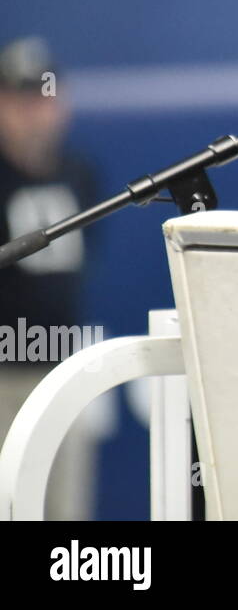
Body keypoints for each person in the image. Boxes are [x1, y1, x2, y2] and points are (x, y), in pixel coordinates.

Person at [0, 36, 101, 520]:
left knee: (66, 508)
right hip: (3, 372)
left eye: (41, 98)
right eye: (17, 101)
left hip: (61, 371)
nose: (32, 114)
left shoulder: (80, 174)